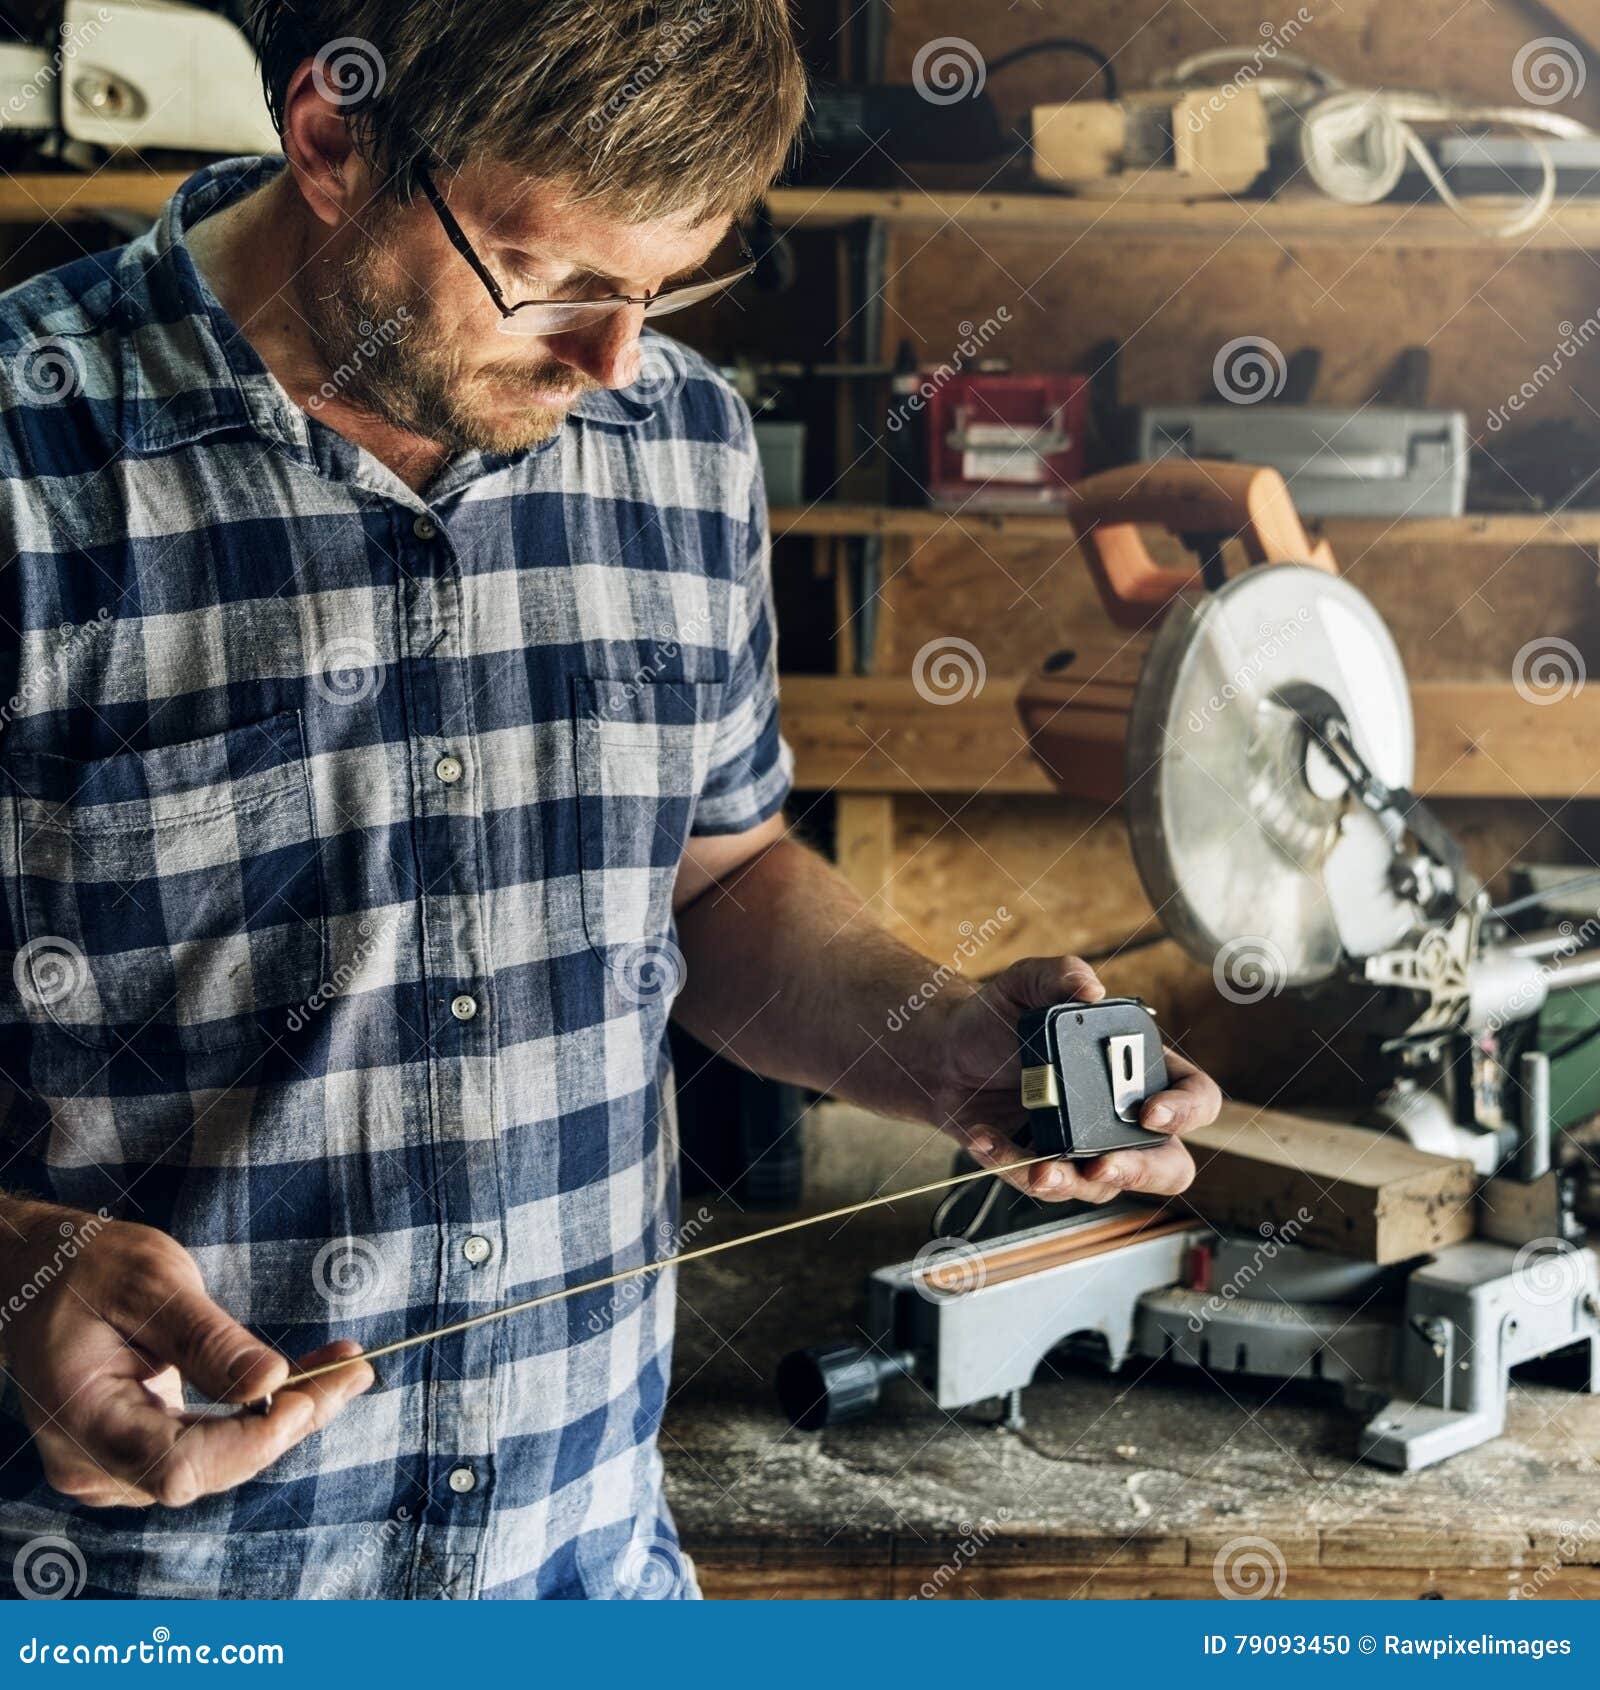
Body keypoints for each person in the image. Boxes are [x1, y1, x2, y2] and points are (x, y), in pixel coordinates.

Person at [0, 1, 1221, 1598]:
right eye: (557, 277)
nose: (615, 357)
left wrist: (940, 1038)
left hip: (579, 1564)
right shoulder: (37, 454)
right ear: (329, 140)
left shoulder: (678, 441)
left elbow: (715, 878)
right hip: (140, 1588)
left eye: (668, 282)